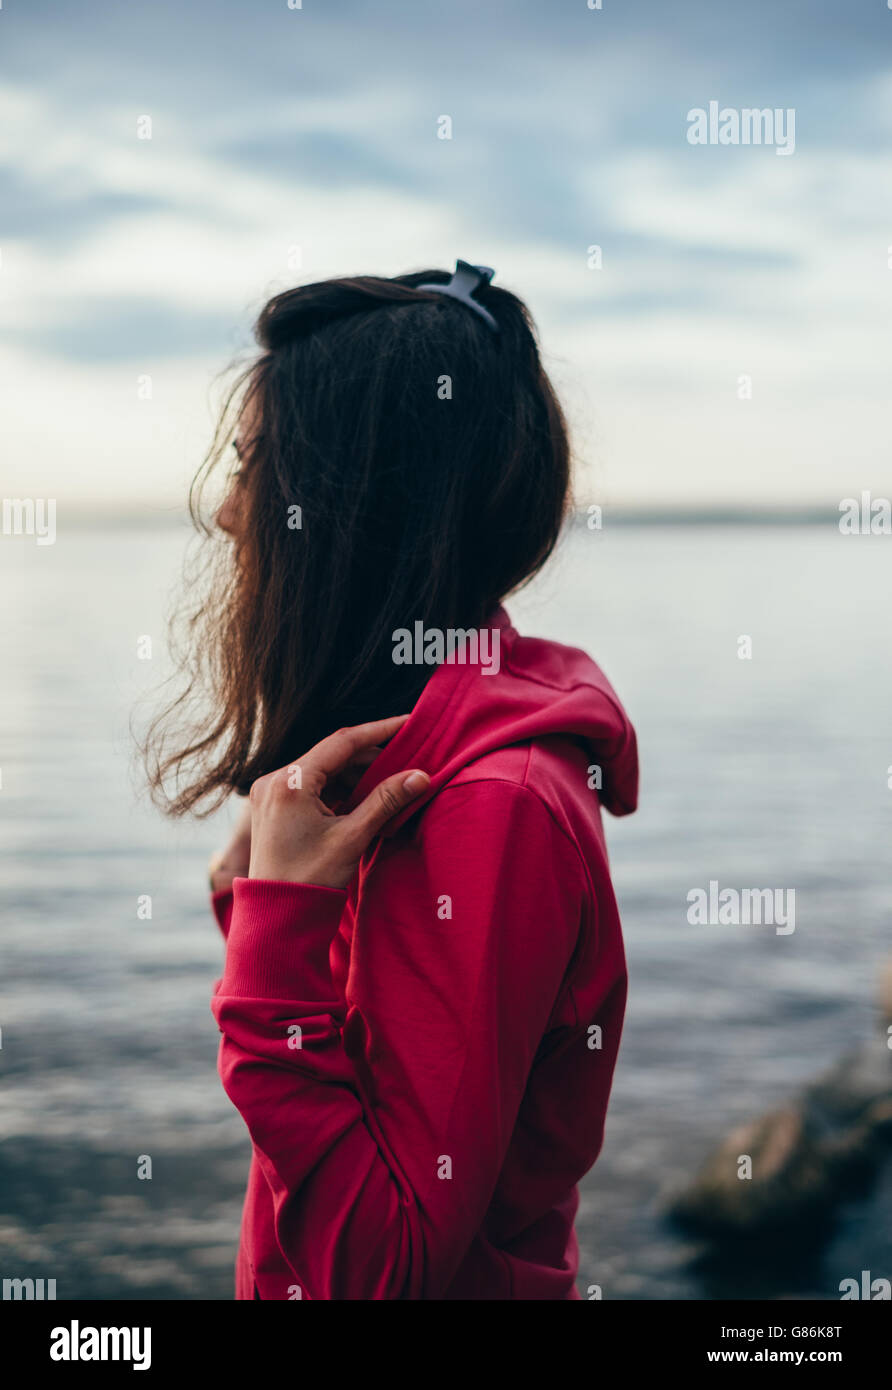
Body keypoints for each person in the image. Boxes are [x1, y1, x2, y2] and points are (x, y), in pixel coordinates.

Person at [146, 262, 638, 1299]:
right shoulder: (427, 746)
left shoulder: (486, 810)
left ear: (350, 512)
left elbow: (390, 1270)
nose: (229, 514)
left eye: (253, 468)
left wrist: (276, 942)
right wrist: (266, 896)